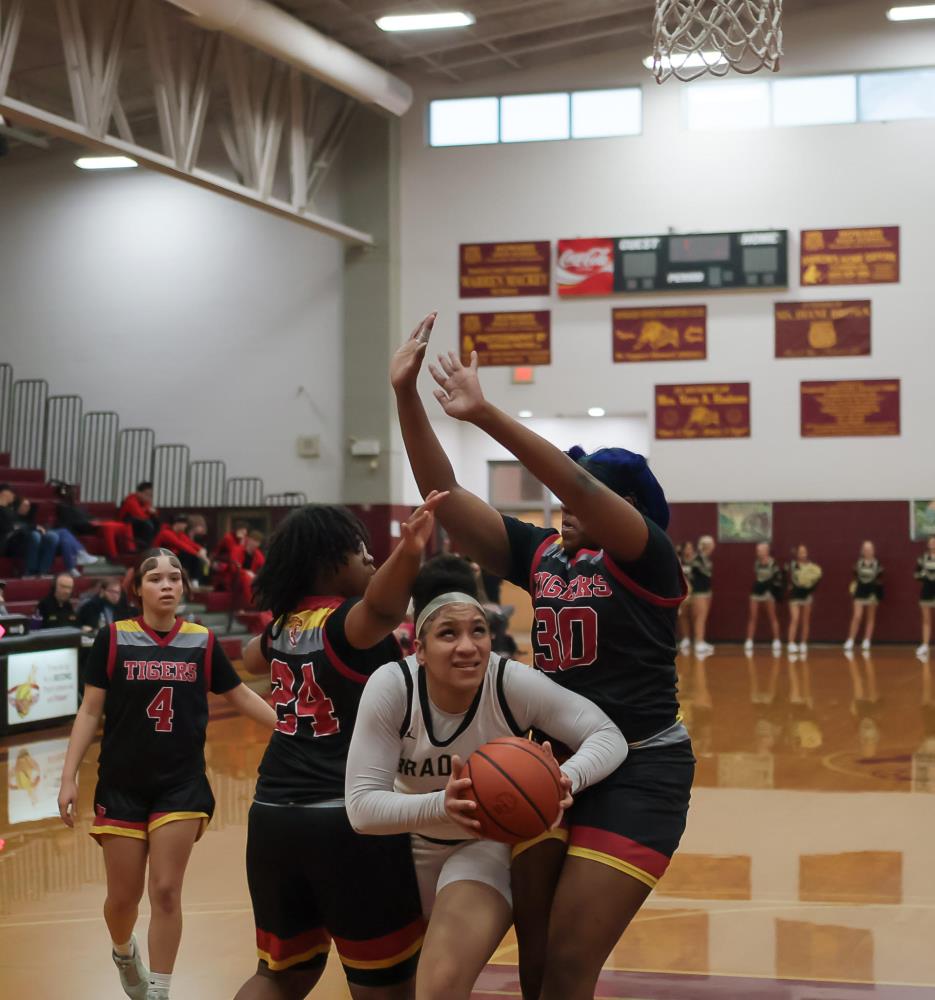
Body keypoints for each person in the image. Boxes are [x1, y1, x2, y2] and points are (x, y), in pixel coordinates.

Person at [391, 313, 693, 1000]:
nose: (565, 495)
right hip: (544, 766)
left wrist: (486, 414)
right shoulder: (545, 554)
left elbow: (582, 489)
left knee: (565, 966)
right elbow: (445, 497)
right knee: (534, 965)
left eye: (582, 485)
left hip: (638, 769)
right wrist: (407, 398)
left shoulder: (647, 559)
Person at [345, 555, 628, 1000]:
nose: (468, 646)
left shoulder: (509, 682)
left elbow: (608, 736)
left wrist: (564, 778)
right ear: (418, 648)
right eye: (447, 634)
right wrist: (444, 804)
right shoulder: (392, 685)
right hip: (402, 849)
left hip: (481, 849)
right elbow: (361, 809)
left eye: (478, 631)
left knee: (437, 989)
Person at [233, 495, 447, 1000]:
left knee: (282, 975)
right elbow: (383, 606)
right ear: (328, 564)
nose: (372, 559)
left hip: (272, 815)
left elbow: (248, 659)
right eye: (361, 552)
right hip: (347, 819)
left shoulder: (284, 626)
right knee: (385, 984)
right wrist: (409, 551)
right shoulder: (348, 623)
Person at [57, 548, 277, 1000]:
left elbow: (240, 697)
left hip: (182, 785)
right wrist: (68, 776)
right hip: (120, 785)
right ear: (136, 588)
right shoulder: (113, 638)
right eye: (155, 578)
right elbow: (89, 710)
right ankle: (123, 950)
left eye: (175, 577)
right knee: (122, 901)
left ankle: (159, 990)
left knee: (166, 891)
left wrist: (293, 730)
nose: (167, 585)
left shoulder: (202, 641)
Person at [54, 481, 136, 561]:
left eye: (74, 491)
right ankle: (113, 555)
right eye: (71, 491)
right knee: (108, 527)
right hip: (87, 527)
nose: (74, 493)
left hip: (93, 523)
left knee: (126, 525)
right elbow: (73, 523)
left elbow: (89, 516)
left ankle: (130, 550)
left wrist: (94, 520)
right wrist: (89, 522)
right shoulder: (63, 507)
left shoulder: (77, 506)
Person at [0, 483, 60, 576]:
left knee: (52, 536)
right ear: (4, 493)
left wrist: (34, 527)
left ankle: (43, 571)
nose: (14, 495)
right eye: (11, 492)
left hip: (21, 536)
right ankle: (30, 572)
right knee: (34, 535)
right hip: (7, 542)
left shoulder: (11, 508)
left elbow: (20, 524)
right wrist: (33, 528)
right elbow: (10, 527)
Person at [744, 542, 783, 655]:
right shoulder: (757, 563)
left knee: (772, 616)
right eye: (757, 550)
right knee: (753, 616)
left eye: (760, 550)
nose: (758, 552)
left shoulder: (773, 563)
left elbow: (776, 579)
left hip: (768, 593)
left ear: (766, 551)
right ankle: (749, 641)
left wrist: (770, 589)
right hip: (756, 593)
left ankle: (776, 640)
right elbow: (758, 577)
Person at [844, 540, 884, 653]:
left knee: (870, 617)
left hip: (872, 593)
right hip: (860, 592)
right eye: (865, 549)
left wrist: (877, 594)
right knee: (857, 616)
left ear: (873, 551)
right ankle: (850, 640)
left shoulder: (877, 564)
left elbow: (880, 579)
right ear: (862, 551)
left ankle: (867, 640)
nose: (868, 551)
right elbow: (855, 577)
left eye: (870, 549)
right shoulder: (858, 564)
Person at [153, 515, 209, 587]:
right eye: (184, 524)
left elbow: (189, 543)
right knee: (190, 556)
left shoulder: (180, 534)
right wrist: (198, 554)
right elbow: (180, 545)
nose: (185, 526)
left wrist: (201, 549)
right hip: (161, 557)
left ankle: (195, 580)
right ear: (177, 524)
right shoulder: (165, 533)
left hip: (173, 556)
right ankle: (187, 580)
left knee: (193, 558)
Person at [786, 544, 822, 655]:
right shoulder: (792, 565)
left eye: (804, 551)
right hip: (794, 595)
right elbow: (786, 576)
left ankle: (803, 643)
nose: (803, 554)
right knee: (795, 618)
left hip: (806, 595)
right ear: (797, 553)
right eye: (800, 552)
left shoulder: (812, 567)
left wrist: (810, 587)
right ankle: (791, 643)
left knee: (805, 620)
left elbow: (815, 580)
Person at [688, 535, 715, 656]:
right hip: (698, 592)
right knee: (700, 616)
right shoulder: (697, 559)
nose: (713, 547)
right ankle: (698, 642)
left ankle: (701, 640)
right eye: (711, 544)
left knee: (703, 616)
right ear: (706, 545)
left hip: (707, 591)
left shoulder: (707, 559)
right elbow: (689, 574)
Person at [119, 482, 159, 549]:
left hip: (139, 523)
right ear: (138, 493)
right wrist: (147, 510)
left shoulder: (145, 502)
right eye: (146, 494)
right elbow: (140, 515)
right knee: (147, 524)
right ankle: (144, 548)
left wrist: (151, 512)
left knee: (156, 521)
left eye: (150, 495)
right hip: (127, 523)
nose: (148, 497)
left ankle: (150, 546)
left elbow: (154, 513)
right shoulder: (131, 500)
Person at [916, 536, 935, 659]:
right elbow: (916, 574)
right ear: (928, 545)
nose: (933, 544)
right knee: (926, 620)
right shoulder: (922, 559)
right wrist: (922, 576)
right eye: (931, 542)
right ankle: (925, 645)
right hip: (927, 592)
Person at [676, 540, 695, 654]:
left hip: (695, 593)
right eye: (687, 548)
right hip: (683, 593)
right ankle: (686, 638)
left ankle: (697, 639)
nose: (690, 550)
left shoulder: (695, 562)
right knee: (683, 616)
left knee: (695, 615)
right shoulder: (679, 561)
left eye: (691, 548)